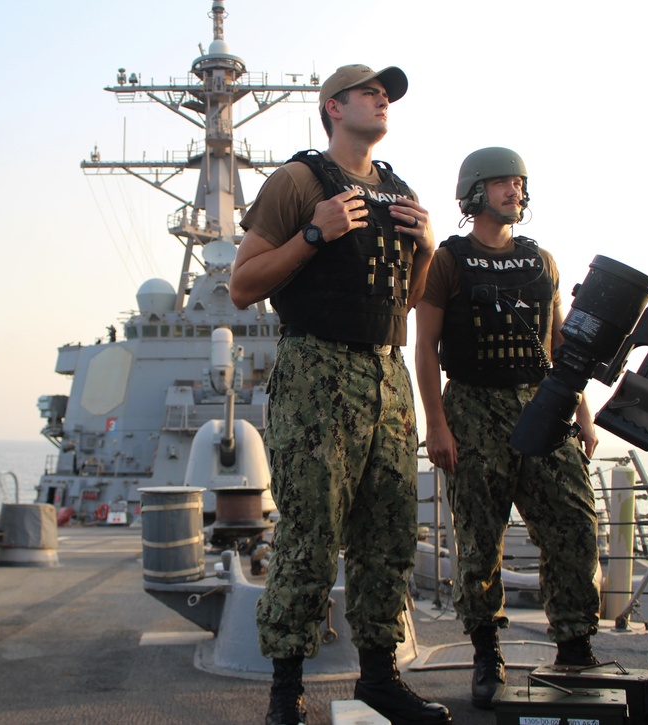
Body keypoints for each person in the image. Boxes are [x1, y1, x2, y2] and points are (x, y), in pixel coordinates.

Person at [230, 64, 450, 725]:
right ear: (334, 106)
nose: (383, 100)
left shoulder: (401, 193)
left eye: (387, 95)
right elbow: (243, 285)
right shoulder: (298, 182)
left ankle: (379, 678)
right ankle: (286, 693)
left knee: (389, 533)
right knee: (310, 533)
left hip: (386, 374)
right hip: (316, 371)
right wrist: (313, 233)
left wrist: (427, 247)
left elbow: (406, 301)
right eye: (369, 92)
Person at [415, 147, 602, 710]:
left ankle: (574, 646)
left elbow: (560, 342)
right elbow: (425, 347)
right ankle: (485, 650)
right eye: (502, 183)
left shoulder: (541, 260)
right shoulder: (448, 261)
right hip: (473, 405)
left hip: (541, 403)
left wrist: (582, 412)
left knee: (574, 520)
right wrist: (437, 424)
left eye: (519, 183)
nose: (514, 192)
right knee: (479, 538)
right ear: (475, 193)